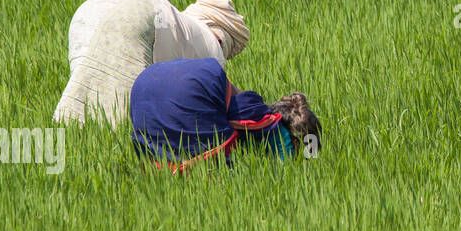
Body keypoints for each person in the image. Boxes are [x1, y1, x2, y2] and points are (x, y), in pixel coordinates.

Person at [54, 0, 249, 127]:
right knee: (118, 121)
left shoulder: (184, 26)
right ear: (222, 38)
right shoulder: (213, 49)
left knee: (84, 101)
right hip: (139, 13)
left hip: (88, 10)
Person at [129, 57, 321, 174]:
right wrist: (311, 164)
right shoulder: (279, 134)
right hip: (188, 90)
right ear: (298, 141)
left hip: (146, 83)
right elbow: (308, 158)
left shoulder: (248, 107)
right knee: (228, 175)